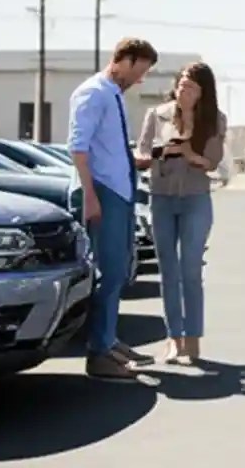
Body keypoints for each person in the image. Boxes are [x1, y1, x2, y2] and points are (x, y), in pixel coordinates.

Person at [68, 37, 159, 381]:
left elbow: (108, 148)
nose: (141, 79)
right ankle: (99, 352)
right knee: (107, 273)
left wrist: (137, 162)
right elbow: (78, 148)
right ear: (125, 60)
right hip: (102, 194)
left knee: (119, 270)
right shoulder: (92, 93)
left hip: (120, 193)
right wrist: (90, 195)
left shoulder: (113, 96)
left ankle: (109, 341)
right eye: (141, 70)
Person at [136, 62, 226, 365]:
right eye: (183, 82)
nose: (184, 87)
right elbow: (142, 153)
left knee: (190, 271)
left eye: (192, 84)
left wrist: (189, 154)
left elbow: (212, 162)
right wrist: (160, 153)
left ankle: (193, 340)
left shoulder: (214, 120)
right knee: (169, 272)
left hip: (195, 199)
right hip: (161, 198)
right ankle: (174, 339)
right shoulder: (157, 114)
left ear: (203, 92)